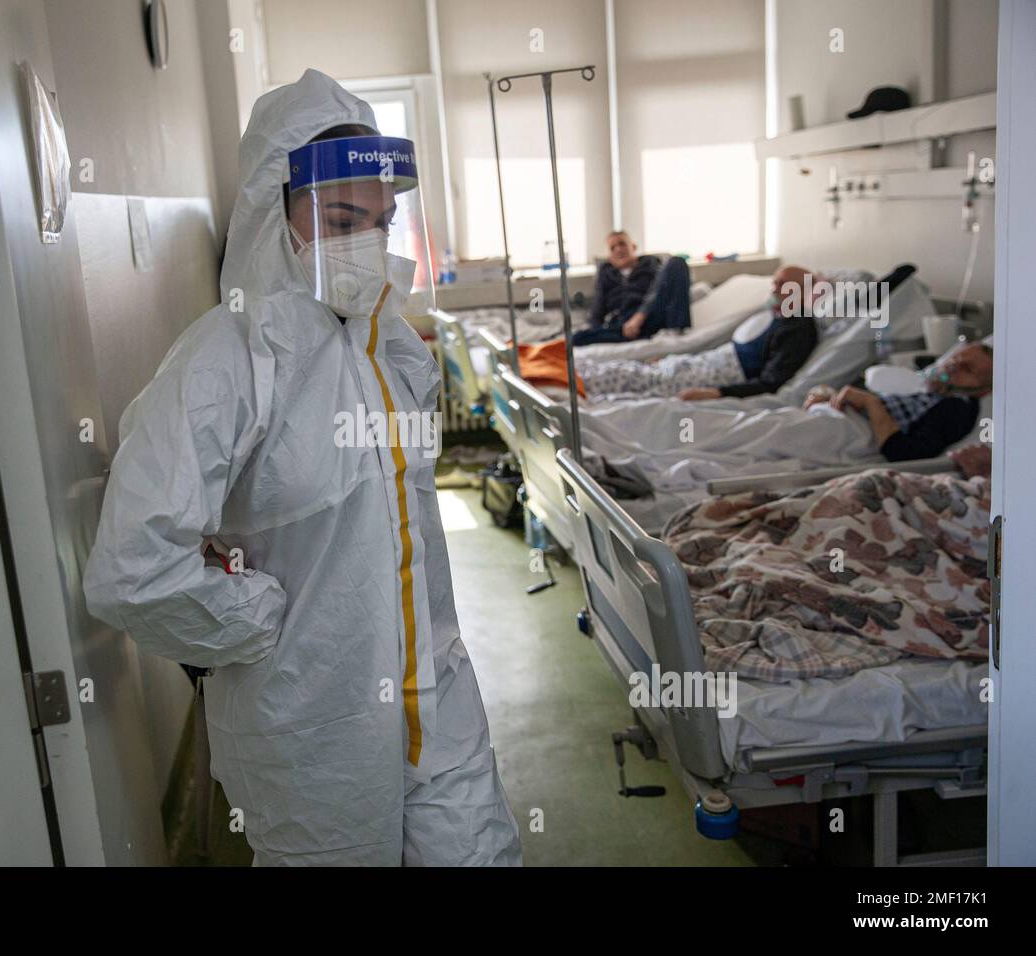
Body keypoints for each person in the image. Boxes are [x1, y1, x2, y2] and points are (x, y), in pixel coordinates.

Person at [83, 69, 522, 867]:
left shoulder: (392, 348)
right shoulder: (227, 361)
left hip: (438, 698)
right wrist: (256, 619)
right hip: (312, 723)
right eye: (342, 219)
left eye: (381, 221)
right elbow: (131, 569)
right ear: (271, 209)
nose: (367, 243)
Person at [575, 265, 819, 401]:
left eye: (782, 285)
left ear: (799, 292)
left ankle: (573, 380)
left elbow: (770, 382)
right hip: (699, 363)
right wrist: (674, 357)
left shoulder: (797, 328)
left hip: (715, 377)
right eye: (774, 282)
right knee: (637, 370)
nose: (773, 289)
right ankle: (572, 372)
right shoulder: (771, 316)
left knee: (638, 380)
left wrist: (716, 393)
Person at [804, 339, 992, 461]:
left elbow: (902, 452)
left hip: (855, 434)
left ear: (984, 391)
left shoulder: (957, 409)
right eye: (955, 358)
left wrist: (871, 403)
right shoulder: (925, 385)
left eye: (967, 369)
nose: (952, 366)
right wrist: (830, 395)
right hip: (836, 416)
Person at [571, 231, 692, 346]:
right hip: (623, 326)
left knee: (677, 262)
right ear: (609, 256)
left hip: (651, 317)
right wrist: (594, 330)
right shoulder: (605, 273)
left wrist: (639, 317)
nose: (618, 249)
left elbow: (659, 291)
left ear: (633, 247)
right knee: (576, 338)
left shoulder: (651, 264)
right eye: (612, 248)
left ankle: (676, 331)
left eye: (622, 244)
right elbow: (597, 310)